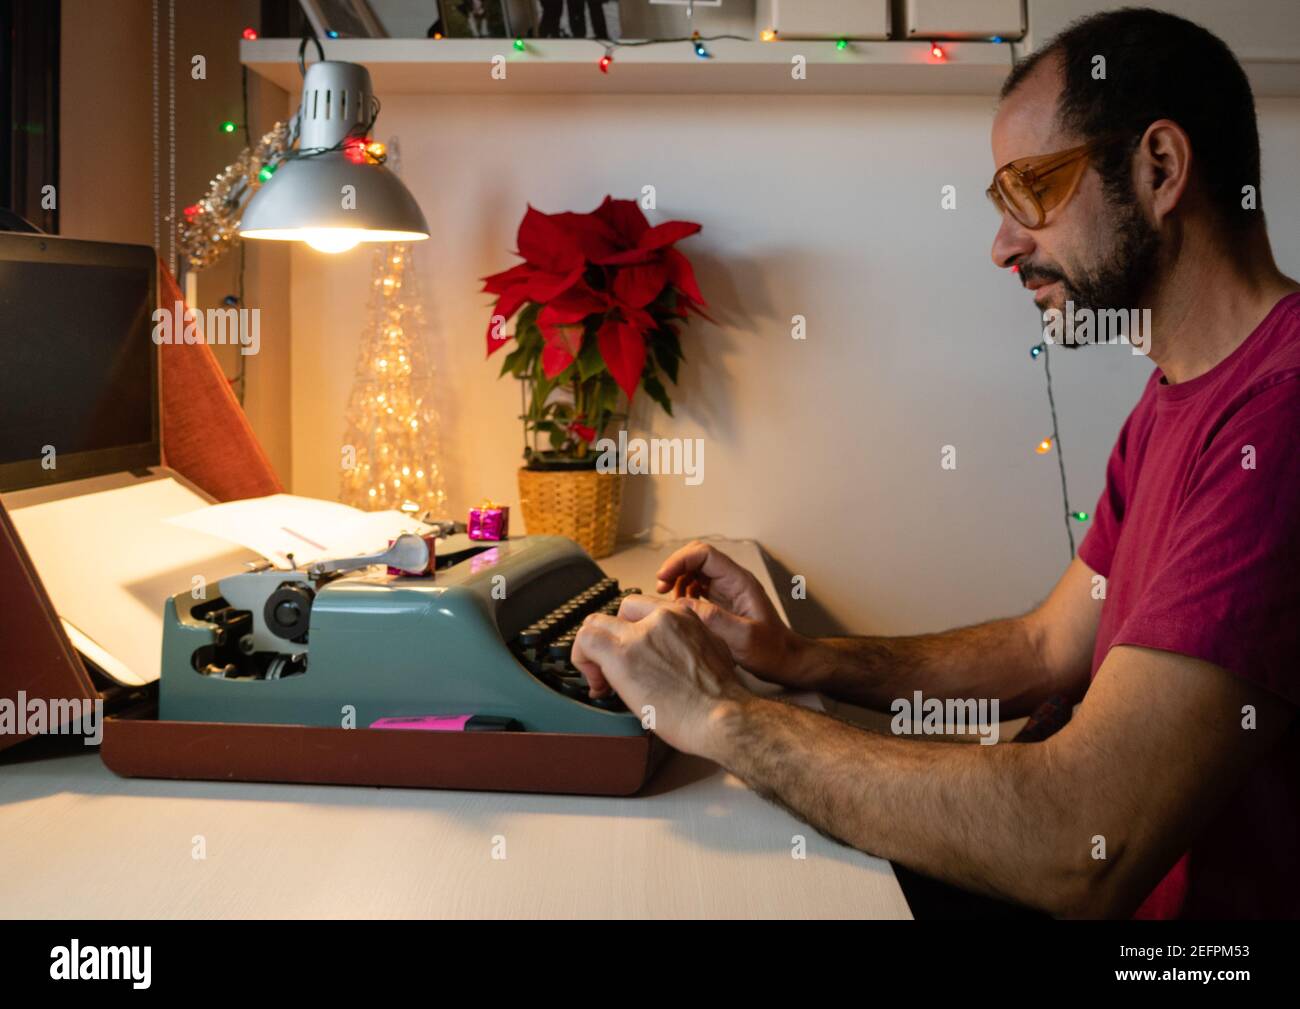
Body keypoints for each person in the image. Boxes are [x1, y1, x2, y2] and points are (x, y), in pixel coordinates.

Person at [572, 8, 1300, 919]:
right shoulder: (1174, 400)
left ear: (1159, 169)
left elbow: (1081, 840)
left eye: (1030, 191)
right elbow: (1046, 645)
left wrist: (723, 714)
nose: (1002, 245)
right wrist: (798, 658)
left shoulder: (1281, 418)